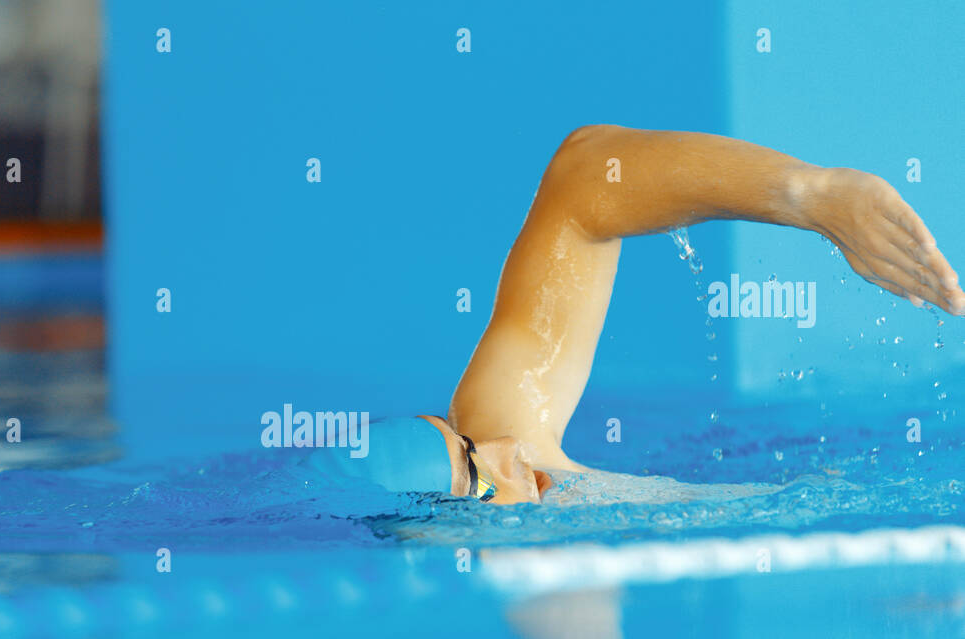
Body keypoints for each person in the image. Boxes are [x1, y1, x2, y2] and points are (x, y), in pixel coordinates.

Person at [306, 125, 965, 505]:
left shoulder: (512, 447)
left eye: (466, 439)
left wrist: (811, 195)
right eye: (474, 473)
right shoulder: (543, 606)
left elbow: (583, 176)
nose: (507, 450)